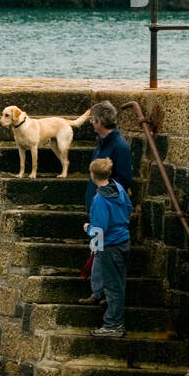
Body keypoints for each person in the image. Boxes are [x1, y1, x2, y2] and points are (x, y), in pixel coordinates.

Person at [80, 100, 134, 303]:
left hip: (107, 212)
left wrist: (104, 202)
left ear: (100, 122)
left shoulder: (119, 147)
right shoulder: (103, 143)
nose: (92, 123)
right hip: (97, 208)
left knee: (105, 253)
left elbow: (123, 180)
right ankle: (97, 291)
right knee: (97, 249)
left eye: (93, 119)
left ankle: (105, 294)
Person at [85, 158, 132, 337]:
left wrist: (87, 228)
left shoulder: (99, 200)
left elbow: (99, 229)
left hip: (110, 245)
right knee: (118, 282)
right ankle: (113, 315)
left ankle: (113, 324)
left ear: (93, 175)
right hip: (124, 240)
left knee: (113, 286)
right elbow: (129, 207)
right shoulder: (118, 188)